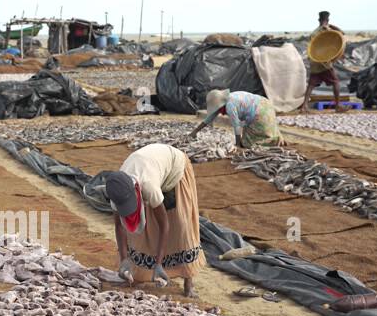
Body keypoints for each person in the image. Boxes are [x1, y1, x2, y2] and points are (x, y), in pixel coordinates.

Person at [103, 144, 206, 298]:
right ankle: (137, 274)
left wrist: (158, 264)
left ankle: (188, 282)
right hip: (150, 167)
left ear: (136, 191)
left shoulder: (148, 186)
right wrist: (123, 259)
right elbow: (120, 226)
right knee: (144, 229)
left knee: (181, 224)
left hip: (174, 170)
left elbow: (164, 224)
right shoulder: (117, 191)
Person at [191, 89, 285, 149]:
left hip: (260, 112)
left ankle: (273, 142)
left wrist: (238, 145)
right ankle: (277, 139)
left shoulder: (230, 105)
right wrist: (195, 131)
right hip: (265, 104)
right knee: (258, 133)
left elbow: (237, 126)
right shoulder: (225, 100)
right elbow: (209, 118)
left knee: (248, 143)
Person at [300, 11, 345, 112]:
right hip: (324, 63)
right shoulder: (327, 30)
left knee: (311, 85)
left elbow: (313, 46)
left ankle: (304, 107)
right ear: (328, 20)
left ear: (318, 20)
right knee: (335, 82)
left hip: (314, 62)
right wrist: (332, 26)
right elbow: (341, 34)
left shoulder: (314, 32)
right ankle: (338, 106)